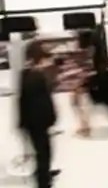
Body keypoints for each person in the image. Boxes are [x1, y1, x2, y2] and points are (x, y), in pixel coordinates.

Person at [18, 42, 59, 188]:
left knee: (43, 151)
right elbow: (41, 101)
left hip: (33, 122)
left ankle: (45, 173)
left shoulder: (28, 74)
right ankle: (43, 181)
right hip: (36, 123)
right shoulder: (34, 76)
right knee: (44, 152)